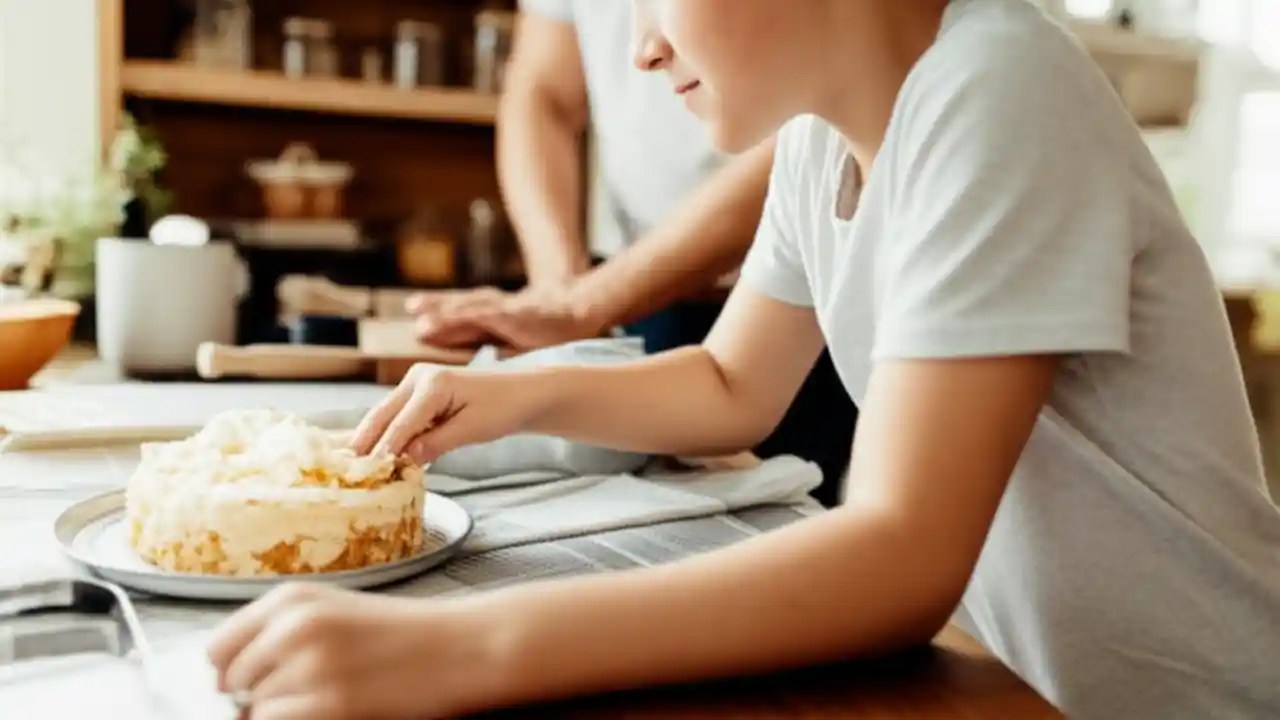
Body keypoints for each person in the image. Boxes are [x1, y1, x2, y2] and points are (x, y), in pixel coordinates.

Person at [209, 2, 1280, 719]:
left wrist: (458, 649)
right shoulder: (823, 142)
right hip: (1029, 690)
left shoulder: (997, 87)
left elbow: (903, 557)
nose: (638, 49)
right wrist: (502, 393)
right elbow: (731, 387)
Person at [407, 0, 857, 506]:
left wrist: (581, 307)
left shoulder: (918, 129)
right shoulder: (811, 153)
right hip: (697, 311)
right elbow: (730, 385)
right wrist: (520, 389)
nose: (641, 55)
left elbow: (906, 537)